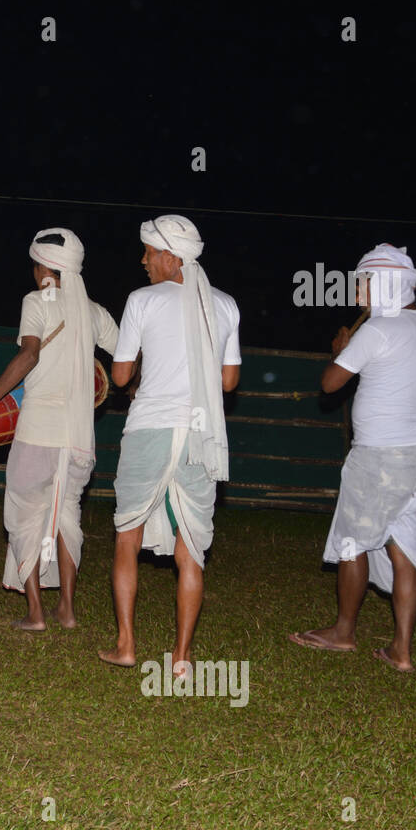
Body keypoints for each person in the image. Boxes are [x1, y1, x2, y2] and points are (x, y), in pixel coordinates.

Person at [290, 243, 416, 673]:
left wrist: (340, 349)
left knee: (351, 541)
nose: (358, 289)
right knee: (404, 548)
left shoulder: (378, 330)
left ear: (385, 283)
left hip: (384, 458)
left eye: (364, 281)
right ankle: (401, 650)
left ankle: (343, 633)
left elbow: (330, 384)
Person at [0, 229, 119, 630]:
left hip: (39, 431)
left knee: (24, 517)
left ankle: (36, 613)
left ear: (45, 267)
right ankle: (67, 610)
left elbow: (28, 355)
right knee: (67, 519)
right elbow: (129, 359)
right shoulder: (95, 311)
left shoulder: (36, 300)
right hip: (80, 438)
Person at [98, 215, 241, 675]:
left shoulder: (142, 300)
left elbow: (120, 376)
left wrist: (143, 372)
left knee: (127, 534)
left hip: (153, 428)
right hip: (202, 434)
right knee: (191, 546)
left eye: (147, 252)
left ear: (169, 256)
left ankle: (126, 645)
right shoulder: (225, 305)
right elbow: (229, 379)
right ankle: (181, 658)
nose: (142, 261)